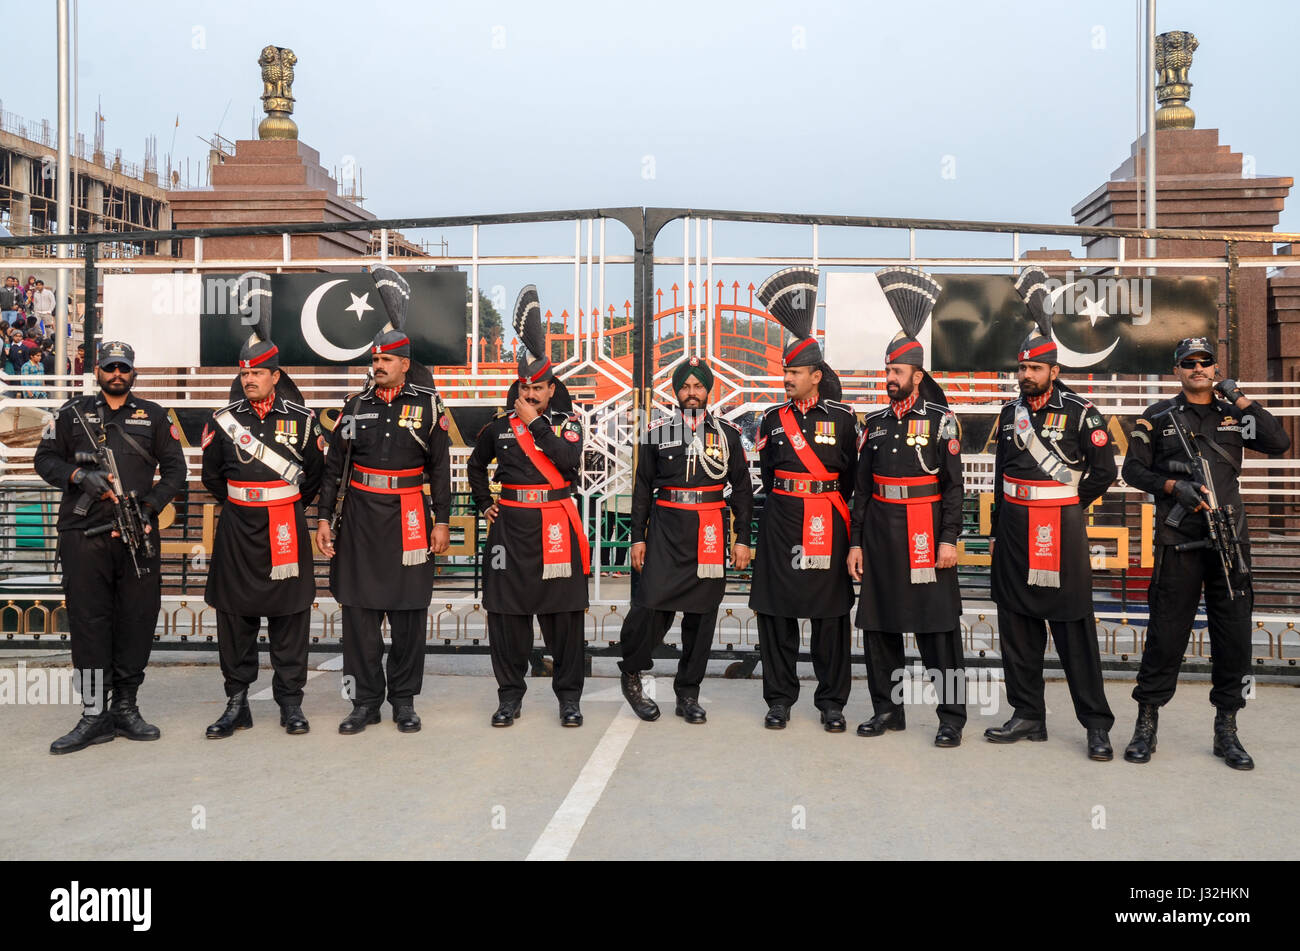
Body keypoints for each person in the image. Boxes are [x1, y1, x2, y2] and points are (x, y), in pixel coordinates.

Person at [1120, 337, 1291, 769]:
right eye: (1188, 362)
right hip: (1179, 540)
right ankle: (1146, 723)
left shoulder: (1234, 414)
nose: (1197, 368)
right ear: (1176, 370)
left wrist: (1239, 396)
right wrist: (1173, 487)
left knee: (1233, 636)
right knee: (1166, 633)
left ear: (1214, 367)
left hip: (1230, 540)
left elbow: (1278, 441)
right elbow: (1133, 470)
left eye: (1205, 362)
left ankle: (1227, 729)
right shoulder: (1157, 417)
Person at [986, 268, 1116, 760]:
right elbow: (1001, 479)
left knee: (1073, 630)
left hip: (1060, 531)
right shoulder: (1008, 414)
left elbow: (1103, 471)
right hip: (1015, 532)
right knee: (1016, 626)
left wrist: (1069, 505)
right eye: (1021, 369)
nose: (1026, 376)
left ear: (1053, 371)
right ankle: (1027, 715)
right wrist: (999, 531)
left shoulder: (1084, 414)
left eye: (1035, 369)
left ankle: (1096, 724)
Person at [34, 341, 188, 754]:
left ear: (133, 372)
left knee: (137, 619)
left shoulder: (154, 416)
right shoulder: (69, 415)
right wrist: (78, 477)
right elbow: (44, 460)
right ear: (97, 371)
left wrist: (150, 507)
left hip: (136, 533)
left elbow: (177, 470)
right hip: (83, 534)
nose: (116, 374)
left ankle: (125, 707)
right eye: (109, 367)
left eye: (123, 368)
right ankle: (92, 714)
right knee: (88, 622)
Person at [847, 266, 967, 747]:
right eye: (887, 370)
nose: (889, 378)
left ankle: (951, 716)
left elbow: (955, 487)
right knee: (880, 627)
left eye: (897, 371)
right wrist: (855, 543)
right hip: (879, 534)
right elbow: (860, 489)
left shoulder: (942, 421)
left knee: (939, 633)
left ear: (917, 374)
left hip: (927, 534)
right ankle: (887, 710)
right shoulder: (873, 424)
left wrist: (949, 539)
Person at [315, 329, 451, 734]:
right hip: (359, 519)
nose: (378, 366)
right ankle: (364, 702)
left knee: (409, 613)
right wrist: (323, 518)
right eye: (375, 360)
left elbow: (441, 469)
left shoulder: (428, 407)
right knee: (359, 614)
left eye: (386, 360)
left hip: (409, 517)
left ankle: (404, 702)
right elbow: (333, 469)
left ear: (405, 365)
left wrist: (441, 520)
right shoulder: (355, 407)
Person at [466, 286, 591, 727]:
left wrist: (538, 424)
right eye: (526, 387)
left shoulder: (567, 425)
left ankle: (569, 699)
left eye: (539, 387)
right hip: (511, 532)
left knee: (564, 621)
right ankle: (509, 697)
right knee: (507, 619)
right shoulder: (497, 428)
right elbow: (476, 467)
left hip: (557, 524)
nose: (532, 393)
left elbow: (569, 461)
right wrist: (484, 504)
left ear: (551, 388)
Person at [749, 267, 859, 731]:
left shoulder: (846, 419)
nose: (786, 378)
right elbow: (767, 475)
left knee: (830, 616)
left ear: (816, 375)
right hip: (780, 520)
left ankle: (832, 702)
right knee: (775, 613)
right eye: (785, 371)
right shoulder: (771, 419)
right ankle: (779, 698)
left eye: (794, 372)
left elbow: (854, 480)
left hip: (828, 522)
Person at [617, 356, 754, 724]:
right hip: (666, 530)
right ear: (675, 391)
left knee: (702, 615)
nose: (691, 393)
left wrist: (742, 538)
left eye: (698, 386)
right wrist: (636, 537)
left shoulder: (726, 434)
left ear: (709, 390)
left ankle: (688, 694)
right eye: (685, 386)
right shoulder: (657, 431)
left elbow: (741, 487)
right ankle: (631, 671)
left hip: (708, 529)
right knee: (649, 608)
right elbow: (642, 488)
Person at [201, 338, 324, 738]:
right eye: (245, 372)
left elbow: (316, 475)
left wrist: (282, 504)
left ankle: (291, 704)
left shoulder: (303, 420)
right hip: (238, 527)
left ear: (275, 376)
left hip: (284, 523)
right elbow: (212, 475)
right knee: (234, 617)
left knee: (290, 616)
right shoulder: (222, 420)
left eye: (257, 372)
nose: (249, 379)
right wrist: (244, 503)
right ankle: (236, 703)